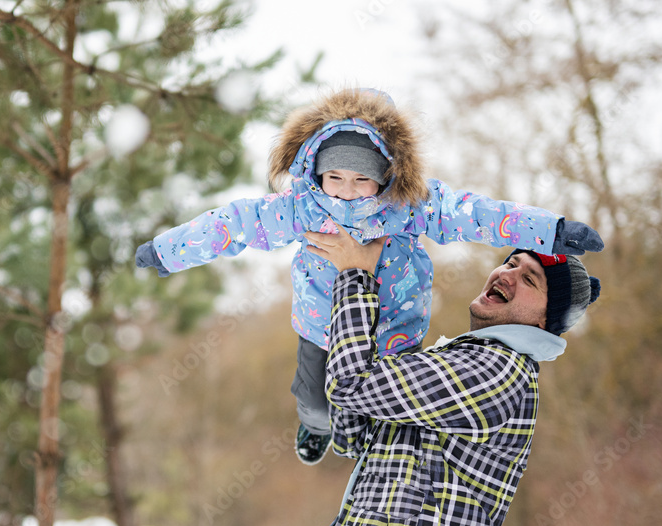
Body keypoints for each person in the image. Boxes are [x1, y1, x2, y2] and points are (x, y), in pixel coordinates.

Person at [135, 88, 602, 465]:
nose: (348, 192)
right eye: (334, 178)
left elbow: (475, 214)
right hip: (324, 326)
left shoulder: (411, 206)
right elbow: (231, 225)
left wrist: (552, 231)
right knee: (318, 401)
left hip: (397, 327)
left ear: (387, 176)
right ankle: (316, 426)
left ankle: (362, 448)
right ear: (315, 171)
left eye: (362, 180)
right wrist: (167, 252)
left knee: (379, 408)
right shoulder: (300, 208)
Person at [294, 224, 601, 526]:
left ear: (542, 322)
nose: (507, 274)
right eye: (511, 263)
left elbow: (351, 384)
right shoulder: (458, 358)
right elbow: (355, 436)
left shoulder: (499, 369)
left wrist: (355, 277)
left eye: (529, 279)